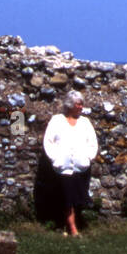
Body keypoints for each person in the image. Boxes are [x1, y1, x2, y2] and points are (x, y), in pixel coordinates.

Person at [42, 90, 98, 237]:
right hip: (63, 167)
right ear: (70, 105)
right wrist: (55, 158)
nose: (81, 107)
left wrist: (87, 158)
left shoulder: (85, 123)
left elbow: (93, 143)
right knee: (67, 198)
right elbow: (48, 141)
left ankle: (66, 226)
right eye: (78, 104)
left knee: (77, 198)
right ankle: (73, 229)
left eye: (81, 104)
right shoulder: (57, 121)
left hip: (80, 167)